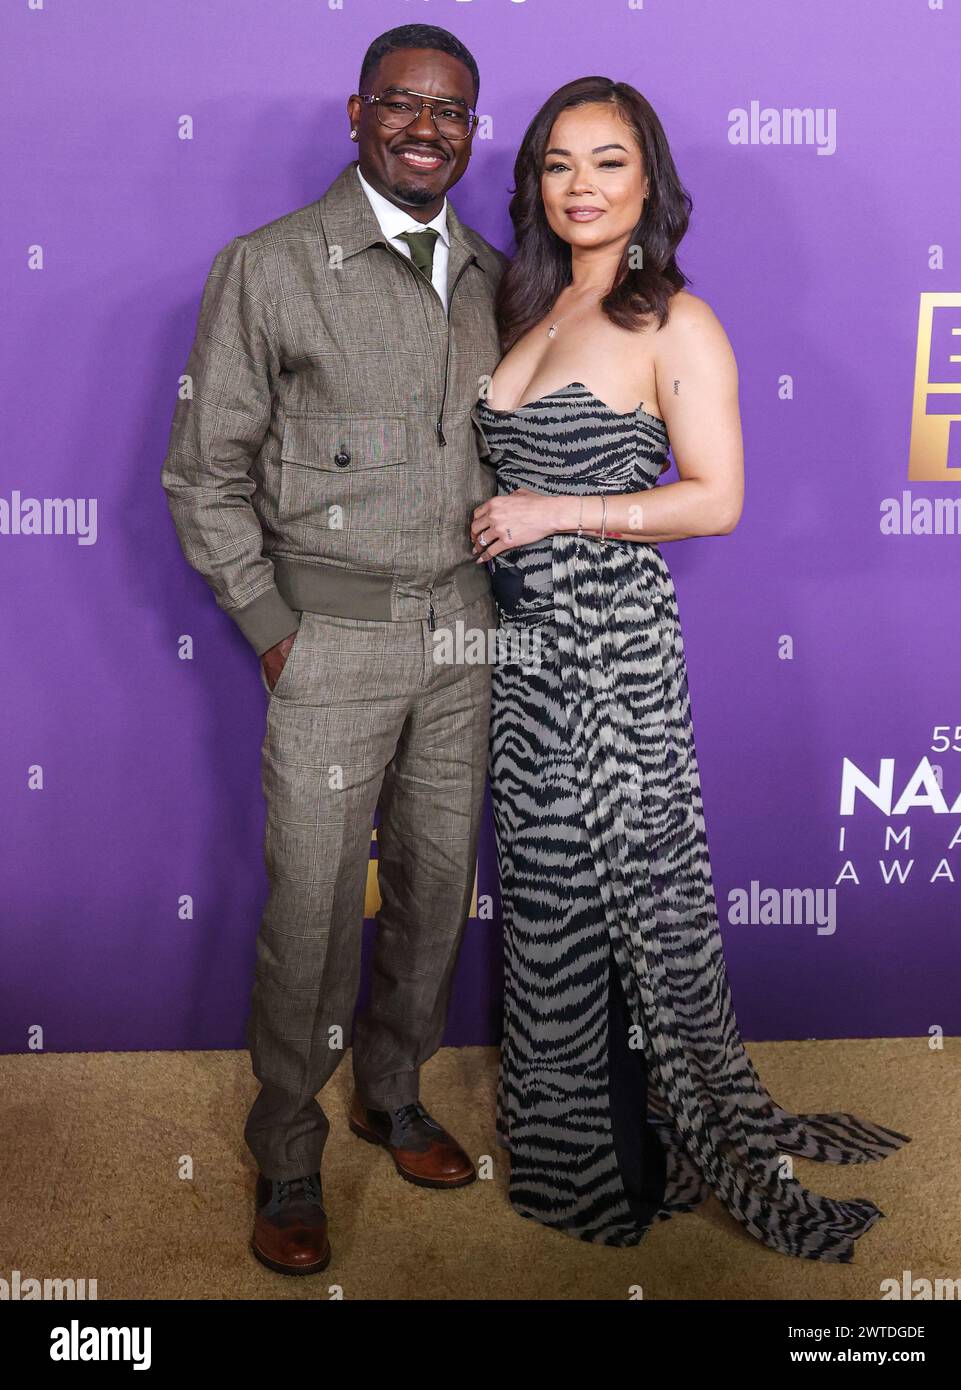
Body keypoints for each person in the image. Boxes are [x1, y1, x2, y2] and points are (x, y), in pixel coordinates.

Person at [470, 76, 910, 1262]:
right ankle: (572, 1154)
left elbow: (718, 500)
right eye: (558, 165)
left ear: (649, 181)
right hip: (520, 668)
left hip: (612, 660)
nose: (581, 188)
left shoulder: (678, 320)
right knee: (556, 909)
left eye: (607, 163)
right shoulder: (529, 306)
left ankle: (616, 1169)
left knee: (623, 904)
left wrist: (560, 509)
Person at [161, 23, 507, 1275]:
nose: (428, 128)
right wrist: (272, 630)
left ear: (474, 130)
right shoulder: (267, 267)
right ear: (357, 113)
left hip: (466, 637)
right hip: (330, 642)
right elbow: (204, 475)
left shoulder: (492, 274)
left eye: (453, 112)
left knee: (433, 884)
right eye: (405, 105)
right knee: (310, 909)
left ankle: (395, 1091)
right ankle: (290, 1149)